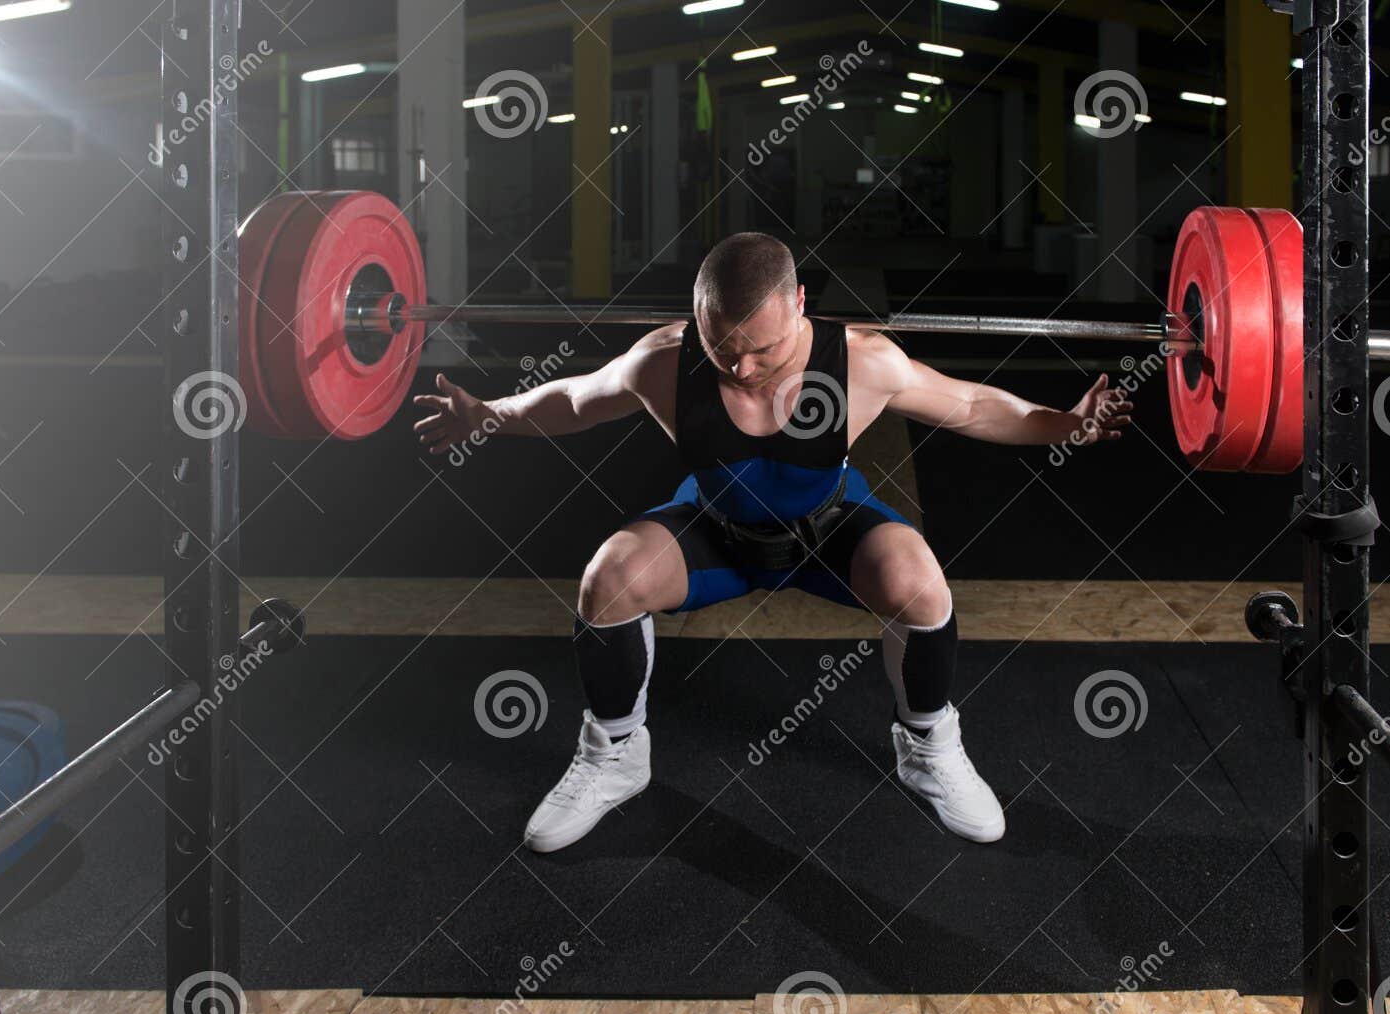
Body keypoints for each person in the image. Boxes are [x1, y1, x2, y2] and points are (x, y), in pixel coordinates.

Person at [413, 233, 1130, 853]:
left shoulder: (863, 362)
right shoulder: (664, 360)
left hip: (829, 533)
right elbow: (572, 400)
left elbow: (971, 405)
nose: (744, 368)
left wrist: (1065, 424)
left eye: (763, 349)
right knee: (608, 579)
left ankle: (926, 745)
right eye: (724, 349)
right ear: (698, 320)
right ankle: (615, 754)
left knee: (921, 583)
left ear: (800, 305)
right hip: (717, 535)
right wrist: (489, 414)